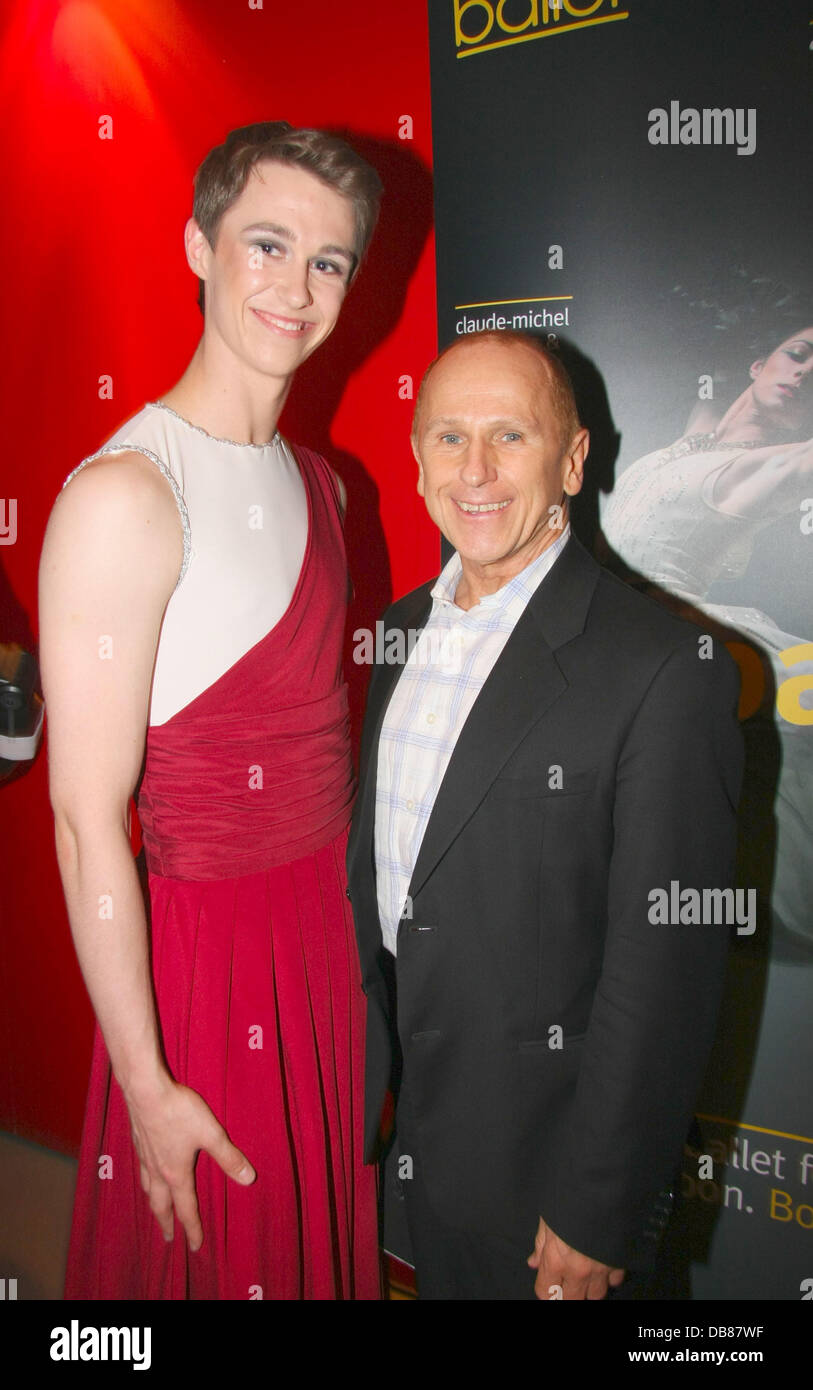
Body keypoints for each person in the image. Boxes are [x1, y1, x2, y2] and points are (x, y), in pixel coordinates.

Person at [39, 122, 383, 1300]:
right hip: (208, 974)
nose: (296, 288)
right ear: (199, 245)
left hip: (324, 949)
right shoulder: (127, 496)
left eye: (329, 261)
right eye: (268, 244)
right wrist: (145, 1079)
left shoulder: (326, 482)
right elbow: (86, 819)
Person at [346, 329, 743, 1300]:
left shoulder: (661, 671)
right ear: (416, 457)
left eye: (510, 436)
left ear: (573, 460)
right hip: (416, 1139)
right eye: (448, 438)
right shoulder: (394, 634)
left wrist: (598, 1206)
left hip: (554, 1182)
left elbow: (665, 974)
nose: (474, 470)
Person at [601, 325, 813, 952]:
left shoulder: (774, 463)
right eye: (797, 355)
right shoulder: (693, 431)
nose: (803, 373)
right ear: (758, 362)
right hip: (611, 634)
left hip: (674, 639)